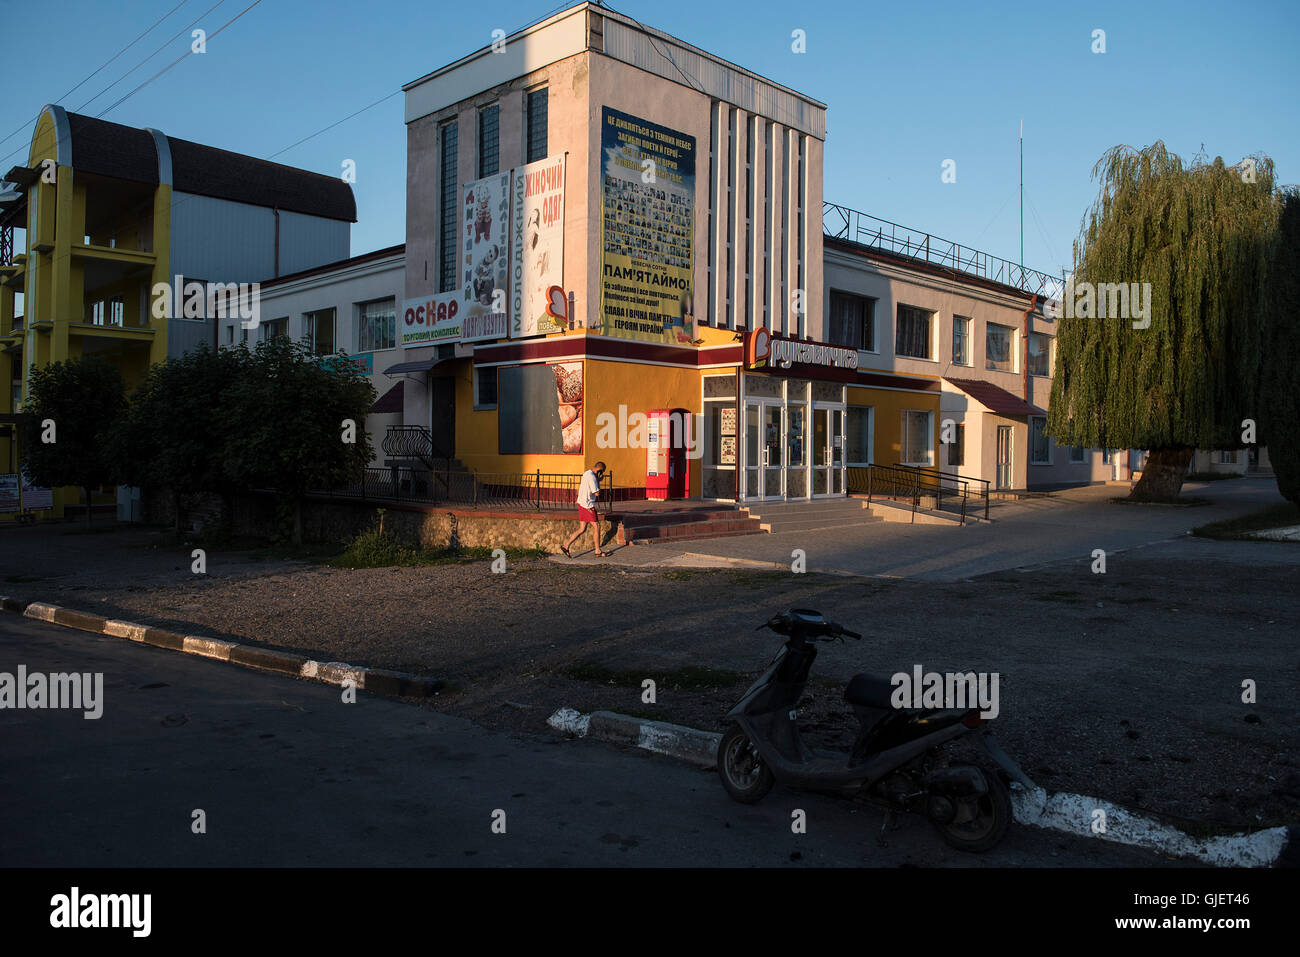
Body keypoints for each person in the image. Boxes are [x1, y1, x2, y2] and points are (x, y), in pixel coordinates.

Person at [562, 461, 608, 558]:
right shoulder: (592, 478)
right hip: (587, 505)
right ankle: (597, 550)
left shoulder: (587, 473)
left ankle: (566, 545)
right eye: (602, 472)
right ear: (599, 471)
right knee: (597, 526)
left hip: (581, 503)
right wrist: (599, 481)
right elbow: (596, 493)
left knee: (582, 529)